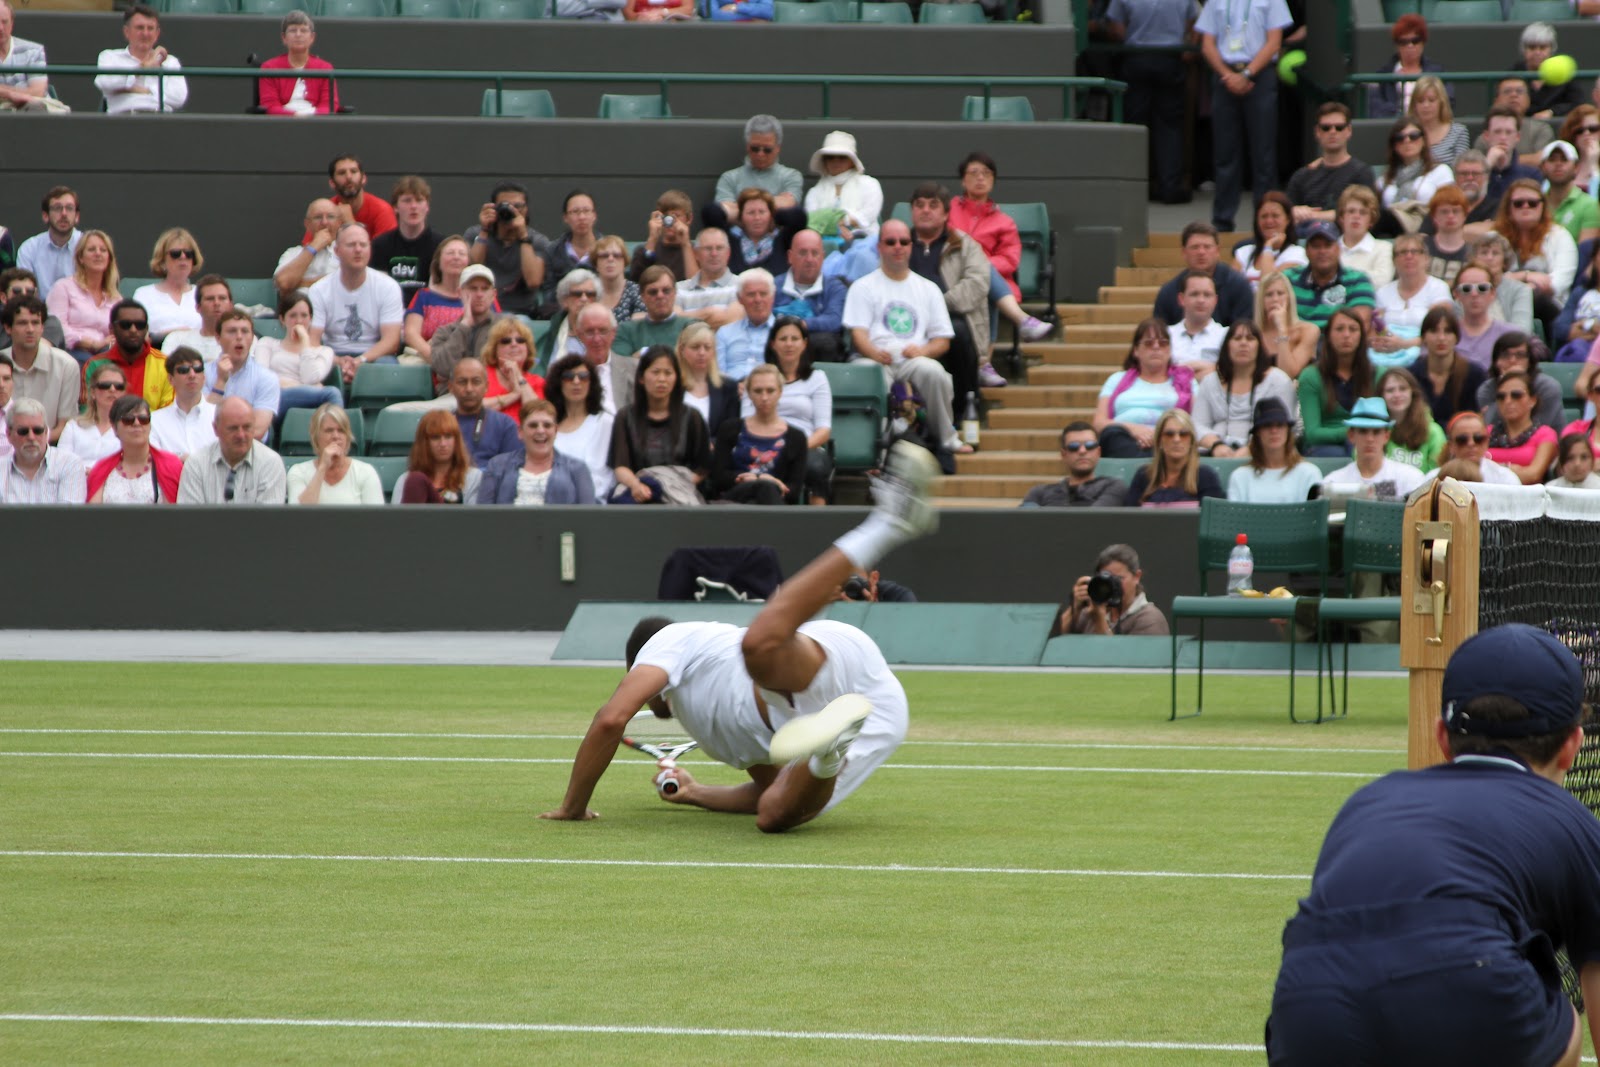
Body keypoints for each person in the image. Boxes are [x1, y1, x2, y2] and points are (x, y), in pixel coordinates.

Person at [541, 439, 938, 830]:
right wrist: (695, 793)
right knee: (776, 813)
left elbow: (612, 720)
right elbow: (762, 795)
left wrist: (573, 807)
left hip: (804, 669)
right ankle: (827, 752)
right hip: (874, 712)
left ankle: (887, 523)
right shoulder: (714, 729)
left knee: (756, 648)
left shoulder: (668, 641)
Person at [1265, 624, 1600, 1067]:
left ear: (1442, 738)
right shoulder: (1576, 825)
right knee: (1563, 1017)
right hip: (1474, 993)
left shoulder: (1368, 801)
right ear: (1573, 747)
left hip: (1308, 1005)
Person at [843, 218, 965, 458]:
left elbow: (942, 341)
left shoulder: (928, 289)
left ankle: (947, 438)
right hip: (875, 358)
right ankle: (877, 449)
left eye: (903, 241)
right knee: (868, 374)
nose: (897, 246)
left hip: (913, 359)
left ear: (911, 246)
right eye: (890, 242)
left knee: (934, 372)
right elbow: (858, 334)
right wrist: (872, 352)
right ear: (879, 247)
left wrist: (923, 352)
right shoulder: (862, 286)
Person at [1195, 0, 1292, 232]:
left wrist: (1247, 74)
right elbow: (1207, 44)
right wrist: (1228, 75)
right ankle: (1222, 220)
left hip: (1260, 75)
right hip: (1224, 76)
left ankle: (1267, 222)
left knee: (1263, 153)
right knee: (1225, 153)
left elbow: (1274, 42)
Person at [947, 152, 1054, 343]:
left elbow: (1009, 260)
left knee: (982, 280)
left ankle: (984, 360)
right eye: (974, 173)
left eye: (986, 173)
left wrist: (978, 265)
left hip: (986, 279)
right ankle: (1021, 321)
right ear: (963, 181)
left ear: (993, 181)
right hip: (950, 272)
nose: (980, 178)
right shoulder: (948, 210)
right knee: (981, 273)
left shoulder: (1004, 222)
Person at [1103, 0, 1194, 204]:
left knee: (1134, 127)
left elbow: (1116, 29)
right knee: (1170, 126)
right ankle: (1169, 187)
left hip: (1136, 58)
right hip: (1170, 59)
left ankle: (1132, 187)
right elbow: (1194, 23)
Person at [905, 182, 991, 392]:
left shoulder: (964, 244)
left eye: (933, 205)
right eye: (920, 205)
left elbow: (977, 283)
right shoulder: (898, 243)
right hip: (906, 315)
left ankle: (965, 408)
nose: (925, 210)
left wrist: (939, 303)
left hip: (951, 312)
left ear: (945, 214)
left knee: (959, 331)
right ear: (912, 211)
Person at [606, 346, 710, 505]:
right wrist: (636, 485)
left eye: (668, 373)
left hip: (681, 496)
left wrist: (673, 484)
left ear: (676, 378)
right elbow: (620, 466)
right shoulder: (625, 417)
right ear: (641, 377)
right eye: (655, 372)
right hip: (639, 493)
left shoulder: (691, 417)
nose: (662, 379)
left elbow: (703, 467)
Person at [308, 223, 406, 383]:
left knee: (388, 365)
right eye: (351, 245)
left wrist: (361, 361)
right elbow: (312, 341)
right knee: (314, 365)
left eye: (363, 245)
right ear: (337, 251)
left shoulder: (388, 286)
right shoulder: (319, 290)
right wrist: (337, 361)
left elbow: (391, 341)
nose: (358, 250)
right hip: (332, 354)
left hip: (373, 355)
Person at [754, 315, 832, 505]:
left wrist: (794, 450)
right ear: (773, 344)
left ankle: (817, 525)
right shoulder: (760, 377)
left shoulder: (817, 378)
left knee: (815, 467)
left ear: (804, 343)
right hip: (764, 444)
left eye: (794, 339)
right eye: (783, 339)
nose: (789, 344)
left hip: (806, 446)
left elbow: (823, 431)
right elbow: (747, 419)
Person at [1194, 319, 1297, 457]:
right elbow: (1197, 424)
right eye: (1237, 338)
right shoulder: (1210, 381)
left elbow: (1286, 427)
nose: (1243, 343)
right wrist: (1216, 445)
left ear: (1259, 346)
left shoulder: (1278, 381)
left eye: (1250, 338)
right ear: (1227, 346)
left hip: (1266, 454)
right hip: (1216, 453)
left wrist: (1252, 449)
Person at [1095, 317, 1195, 458]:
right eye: (1149, 343)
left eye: (1163, 343)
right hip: (1123, 439)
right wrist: (1132, 429)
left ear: (1170, 350)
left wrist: (1159, 436)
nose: (1156, 347)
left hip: (1169, 441)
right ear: (1136, 350)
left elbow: (1197, 422)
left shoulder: (1187, 382)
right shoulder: (1116, 379)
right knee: (1111, 434)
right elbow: (1099, 423)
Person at [1495, 177, 1580, 341]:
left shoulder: (1559, 236)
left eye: (1532, 203)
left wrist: (1520, 286)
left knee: (1532, 296)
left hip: (1549, 305)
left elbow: (1559, 282)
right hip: (1501, 300)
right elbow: (1485, 277)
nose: (1526, 206)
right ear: (1508, 208)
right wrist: (1525, 276)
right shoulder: (1494, 238)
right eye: (1518, 203)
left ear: (1542, 206)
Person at [711, 363, 806, 506]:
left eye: (770, 390)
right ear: (749, 393)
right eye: (758, 391)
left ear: (780, 392)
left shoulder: (796, 437)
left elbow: (794, 491)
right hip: (734, 500)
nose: (764, 397)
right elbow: (718, 478)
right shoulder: (730, 428)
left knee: (765, 489)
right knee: (764, 486)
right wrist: (755, 479)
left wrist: (768, 481)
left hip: (774, 500)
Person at [253, 293, 343, 435]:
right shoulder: (268, 343)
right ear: (282, 319)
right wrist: (305, 386)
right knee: (331, 392)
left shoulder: (324, 351)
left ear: (311, 319)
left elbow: (309, 377)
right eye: (293, 316)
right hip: (274, 398)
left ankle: (336, 440)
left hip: (310, 399)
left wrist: (305, 343)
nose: (299, 321)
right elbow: (261, 378)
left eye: (304, 316)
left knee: (332, 394)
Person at [175, 396, 288, 504]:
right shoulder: (196, 464)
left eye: (247, 427)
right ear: (216, 429)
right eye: (233, 428)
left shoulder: (271, 463)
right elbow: (190, 521)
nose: (241, 435)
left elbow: (268, 521)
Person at [1287, 102, 1378, 229]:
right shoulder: (1302, 176)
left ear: (1349, 131)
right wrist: (1295, 211)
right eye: (1326, 128)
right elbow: (1285, 216)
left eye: (1339, 127)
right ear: (1317, 132)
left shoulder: (1362, 173)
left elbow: (1367, 214)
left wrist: (1312, 215)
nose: (1333, 132)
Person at [1370, 233, 1452, 370]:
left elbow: (1440, 331)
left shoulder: (1439, 288)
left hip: (1425, 356)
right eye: (1402, 252)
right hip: (1386, 356)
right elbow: (1373, 330)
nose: (1409, 256)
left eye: (1415, 252)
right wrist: (1379, 342)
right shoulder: (1382, 292)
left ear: (1426, 259)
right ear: (1394, 261)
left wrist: (1403, 343)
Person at [1300, 307, 1375, 456]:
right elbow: (1313, 433)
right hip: (1324, 447)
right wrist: (1354, 433)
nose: (1346, 335)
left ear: (1362, 335)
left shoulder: (1377, 374)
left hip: (1370, 442)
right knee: (1340, 453)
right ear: (1328, 335)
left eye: (1353, 329)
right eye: (1339, 329)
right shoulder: (1310, 377)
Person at [1320, 396, 1425, 502]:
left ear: (1386, 436)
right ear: (1351, 435)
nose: (1370, 439)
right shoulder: (1332, 482)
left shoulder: (1410, 478)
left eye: (1376, 432)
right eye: (1363, 431)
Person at [1, 294, 76, 440]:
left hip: (50, 447)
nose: (30, 329)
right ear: (8, 328)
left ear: (42, 327)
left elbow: (66, 427)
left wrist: (31, 442)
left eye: (35, 323)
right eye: (22, 323)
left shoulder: (67, 365)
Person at [1154, 222, 1256, 328]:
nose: (1201, 252)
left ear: (1217, 251)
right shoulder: (1169, 292)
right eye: (1195, 247)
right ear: (1184, 252)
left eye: (1207, 247)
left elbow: (1244, 331)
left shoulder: (1239, 286)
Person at [468, 180, 547, 317]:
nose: (511, 211)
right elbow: (471, 273)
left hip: (521, 314)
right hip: (480, 311)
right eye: (505, 206)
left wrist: (523, 235)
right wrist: (485, 230)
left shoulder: (538, 241)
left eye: (518, 206)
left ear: (526, 209)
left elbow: (533, 282)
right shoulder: (476, 235)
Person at [1056, 542, 1170, 636]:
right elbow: (1048, 642)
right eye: (1105, 579)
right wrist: (1075, 608)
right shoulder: (1091, 611)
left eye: (1118, 579)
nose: (1111, 585)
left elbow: (1120, 660)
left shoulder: (1149, 619)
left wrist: (1099, 620)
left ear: (1136, 577)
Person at [86, 393, 181, 505]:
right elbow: (93, 518)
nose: (137, 423)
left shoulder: (170, 465)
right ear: (114, 428)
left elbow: (176, 516)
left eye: (143, 419)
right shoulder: (102, 470)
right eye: (128, 419)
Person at [95, 5, 187, 115]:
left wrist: (139, 90)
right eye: (140, 27)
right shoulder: (110, 56)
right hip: (122, 122)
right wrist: (143, 68)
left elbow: (179, 98)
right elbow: (106, 84)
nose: (145, 34)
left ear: (157, 34)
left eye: (150, 28)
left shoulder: (170, 62)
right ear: (127, 32)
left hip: (160, 122)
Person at [548, 352, 615, 502]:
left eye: (583, 376)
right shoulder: (548, 426)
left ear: (591, 382)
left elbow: (606, 477)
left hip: (593, 504)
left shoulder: (604, 422)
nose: (576, 381)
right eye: (568, 377)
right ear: (559, 383)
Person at [1226, 397, 1321, 502]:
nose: (1274, 430)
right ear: (1258, 433)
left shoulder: (1309, 473)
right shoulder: (1240, 477)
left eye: (1280, 425)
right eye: (1267, 425)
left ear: (1288, 430)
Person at [771, 228, 846, 361]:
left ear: (823, 257)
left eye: (815, 253)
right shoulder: (773, 286)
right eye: (803, 253)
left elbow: (834, 320)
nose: (809, 259)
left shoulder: (835, 288)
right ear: (790, 257)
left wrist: (799, 324)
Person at [286, 403, 382, 505]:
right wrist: (322, 468)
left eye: (341, 431)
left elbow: (376, 519)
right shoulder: (298, 472)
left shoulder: (366, 472)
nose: (336, 436)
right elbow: (299, 517)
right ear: (316, 437)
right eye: (329, 430)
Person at [425, 263, 500, 394]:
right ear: (460, 292)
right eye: (473, 288)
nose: (479, 294)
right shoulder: (445, 332)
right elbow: (442, 367)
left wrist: (455, 371)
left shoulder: (504, 327)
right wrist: (464, 325)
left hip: (494, 392)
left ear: (493, 294)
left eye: (484, 289)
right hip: (453, 398)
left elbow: (502, 366)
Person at [1287, 220, 1377, 330]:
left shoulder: (1358, 281)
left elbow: (1357, 328)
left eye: (1328, 245)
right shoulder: (1288, 279)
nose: (1322, 251)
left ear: (1338, 249)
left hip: (1337, 346)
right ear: (1306, 251)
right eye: (1316, 246)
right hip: (1297, 344)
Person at [205, 311, 279, 442]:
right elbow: (202, 422)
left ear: (252, 338)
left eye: (245, 331)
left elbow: (258, 430)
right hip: (208, 448)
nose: (239, 337)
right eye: (232, 331)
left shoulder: (267, 378)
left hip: (252, 451)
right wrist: (220, 382)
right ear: (218, 337)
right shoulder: (201, 373)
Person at [47, 229, 119, 364]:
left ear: (109, 258)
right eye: (92, 249)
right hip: (71, 352)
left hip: (104, 352)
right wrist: (91, 343)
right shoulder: (63, 287)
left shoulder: (115, 297)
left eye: (103, 250)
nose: (98, 253)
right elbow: (57, 327)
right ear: (81, 257)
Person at [1124, 408, 1222, 507]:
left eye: (1183, 434)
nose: (1176, 439)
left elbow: (1213, 519)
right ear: (1159, 440)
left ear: (1192, 441)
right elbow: (1129, 519)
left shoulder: (1206, 476)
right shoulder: (1143, 475)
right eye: (1169, 434)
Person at [1409, 305, 1486, 428]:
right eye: (1434, 331)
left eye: (1448, 331)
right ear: (1423, 338)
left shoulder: (1475, 374)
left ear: (1457, 337)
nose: (1441, 338)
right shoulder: (1411, 375)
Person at [1020, 421, 1129, 508]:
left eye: (1090, 445)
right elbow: (1023, 524)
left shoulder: (1113, 486)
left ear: (1098, 452)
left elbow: (1093, 521)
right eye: (1074, 446)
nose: (1082, 451)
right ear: (1064, 454)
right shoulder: (1039, 492)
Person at [714, 115, 804, 218]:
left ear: (778, 148)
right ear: (747, 146)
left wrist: (740, 207)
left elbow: (789, 204)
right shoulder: (729, 178)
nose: (760, 154)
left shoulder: (791, 176)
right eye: (755, 148)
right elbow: (724, 212)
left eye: (767, 150)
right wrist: (773, 203)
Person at [370, 175, 441, 305]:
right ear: (395, 207)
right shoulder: (380, 245)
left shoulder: (441, 246)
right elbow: (376, 290)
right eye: (407, 201)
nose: (413, 206)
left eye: (419, 200)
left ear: (427, 206)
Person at [706, 188, 808, 278]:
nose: (757, 218)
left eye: (762, 212)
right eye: (751, 213)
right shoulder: (731, 240)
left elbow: (798, 216)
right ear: (741, 216)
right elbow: (711, 212)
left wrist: (773, 215)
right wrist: (737, 214)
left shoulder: (783, 240)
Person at [401, 235, 474, 362]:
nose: (456, 257)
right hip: (428, 359)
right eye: (450, 253)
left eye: (462, 254)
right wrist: (435, 357)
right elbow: (411, 333)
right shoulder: (424, 296)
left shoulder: (481, 295)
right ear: (438, 262)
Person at [94, 298, 174, 412]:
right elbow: (90, 413)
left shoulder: (166, 365)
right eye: (126, 325)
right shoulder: (94, 365)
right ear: (111, 329)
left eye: (140, 325)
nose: (133, 330)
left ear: (146, 329)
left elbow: (168, 416)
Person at [803, 131, 883, 244]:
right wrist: (836, 227)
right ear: (824, 161)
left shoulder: (870, 184)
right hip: (824, 249)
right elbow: (811, 221)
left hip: (865, 245)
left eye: (842, 157)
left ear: (852, 161)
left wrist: (840, 221)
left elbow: (867, 216)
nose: (836, 161)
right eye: (830, 157)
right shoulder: (815, 192)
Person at [0, 398, 85, 504]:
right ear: (8, 434)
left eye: (38, 430)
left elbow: (68, 517)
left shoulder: (69, 464)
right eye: (23, 431)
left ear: (46, 432)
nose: (31, 437)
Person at [1475, 331, 1562, 432]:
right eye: (1505, 355)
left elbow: (1539, 429)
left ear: (1529, 361)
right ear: (1496, 362)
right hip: (1498, 443)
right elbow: (1489, 427)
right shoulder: (1486, 389)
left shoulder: (1547, 387)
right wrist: (1505, 384)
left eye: (1520, 355)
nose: (1512, 361)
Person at [256, 10, 338, 116]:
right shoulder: (269, 68)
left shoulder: (325, 68)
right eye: (293, 30)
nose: (298, 35)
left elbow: (330, 106)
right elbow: (270, 105)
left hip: (316, 125)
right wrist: (295, 116)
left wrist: (307, 115)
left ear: (312, 37)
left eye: (303, 30)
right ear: (284, 37)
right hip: (281, 125)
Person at [1485, 370, 1558, 484]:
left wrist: (1494, 469)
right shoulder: (1485, 432)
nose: (1508, 401)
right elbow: (1474, 470)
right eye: (1501, 396)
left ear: (1532, 400)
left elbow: (1534, 474)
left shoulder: (1545, 434)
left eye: (1516, 395)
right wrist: (1514, 469)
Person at [395, 408, 482, 505]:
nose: (443, 444)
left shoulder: (473, 477)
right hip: (418, 520)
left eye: (448, 436)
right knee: (416, 480)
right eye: (435, 438)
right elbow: (398, 518)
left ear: (456, 441)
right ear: (424, 443)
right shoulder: (405, 480)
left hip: (457, 520)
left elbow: (474, 518)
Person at [34, 360, 112, 465]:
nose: (112, 389)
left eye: (119, 387)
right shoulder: (73, 427)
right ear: (93, 392)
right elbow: (61, 462)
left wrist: (97, 474)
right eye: (105, 385)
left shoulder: (131, 426)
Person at [1368, 14, 1446, 120]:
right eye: (1403, 42)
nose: (1410, 46)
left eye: (1415, 41)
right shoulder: (1382, 76)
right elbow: (1376, 109)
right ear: (1396, 45)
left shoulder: (1438, 73)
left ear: (1423, 43)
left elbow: (1447, 103)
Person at [131, 228, 203, 341]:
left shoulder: (203, 293)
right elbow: (135, 335)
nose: (183, 257)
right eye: (176, 254)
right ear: (162, 260)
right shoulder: (144, 294)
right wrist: (170, 334)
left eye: (188, 253)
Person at [449, 356, 520, 468]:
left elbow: (512, 470)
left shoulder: (505, 425)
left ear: (486, 387)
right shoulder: (440, 424)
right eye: (462, 382)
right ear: (451, 387)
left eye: (476, 382)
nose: (469, 389)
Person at [539, 191, 602, 315]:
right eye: (575, 212)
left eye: (586, 211)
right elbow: (549, 293)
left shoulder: (607, 250)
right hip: (562, 313)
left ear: (594, 215)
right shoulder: (553, 251)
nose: (582, 217)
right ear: (566, 218)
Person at [1422, 410, 1522, 486]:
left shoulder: (1505, 478)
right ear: (1451, 446)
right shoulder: (1433, 479)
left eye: (1478, 438)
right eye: (1462, 440)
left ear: (1487, 442)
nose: (1471, 444)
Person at [676, 321, 739, 440]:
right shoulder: (672, 386)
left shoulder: (728, 387)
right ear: (682, 350)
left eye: (707, 347)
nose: (701, 353)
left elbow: (731, 432)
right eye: (695, 347)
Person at [149, 346, 215, 460]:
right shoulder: (154, 421)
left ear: (204, 377)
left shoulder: (220, 416)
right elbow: (156, 461)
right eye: (183, 370)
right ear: (170, 379)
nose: (192, 375)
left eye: (197, 369)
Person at [571, 302, 637, 415]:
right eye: (590, 332)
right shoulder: (568, 372)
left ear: (613, 333)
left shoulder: (635, 369)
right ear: (579, 334)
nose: (597, 339)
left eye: (603, 331)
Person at [1452, 263, 1520, 372]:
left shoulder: (1510, 334)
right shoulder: (1446, 334)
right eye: (1466, 288)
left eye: (1482, 288)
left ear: (1493, 293)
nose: (1474, 294)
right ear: (1456, 294)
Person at [16, 186, 82, 299]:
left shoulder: (88, 246)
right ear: (45, 216)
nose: (64, 214)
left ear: (77, 216)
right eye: (57, 208)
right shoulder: (29, 248)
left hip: (80, 313)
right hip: (39, 313)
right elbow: (24, 294)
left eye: (69, 208)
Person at [479, 316, 546, 426]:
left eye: (520, 340)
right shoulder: (482, 375)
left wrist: (518, 377)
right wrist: (514, 395)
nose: (514, 344)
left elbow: (537, 415)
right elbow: (472, 408)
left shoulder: (538, 382)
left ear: (527, 348)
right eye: (506, 341)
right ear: (494, 349)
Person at [1379, 116, 1454, 213]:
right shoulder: (1385, 178)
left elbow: (1448, 208)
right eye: (1400, 138)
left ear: (1423, 140)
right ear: (1394, 145)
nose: (1407, 141)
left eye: (1413, 136)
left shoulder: (1440, 171)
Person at [1377, 366, 1445, 474]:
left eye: (1403, 389)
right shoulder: (1371, 431)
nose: (1397, 395)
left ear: (1413, 393)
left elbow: (1437, 475)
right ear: (1381, 395)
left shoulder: (1433, 432)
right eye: (1390, 390)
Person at [1235, 191, 1308, 288]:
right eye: (1264, 216)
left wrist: (1268, 246)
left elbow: (1269, 285)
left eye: (1275, 216)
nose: (1269, 221)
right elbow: (1231, 289)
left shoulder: (1298, 254)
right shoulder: (1243, 253)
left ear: (1288, 220)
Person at [1257, 269, 1320, 378]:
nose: (1275, 299)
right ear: (1261, 301)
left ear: (1289, 298)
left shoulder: (1308, 331)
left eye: (1280, 293)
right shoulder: (1254, 334)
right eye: (1269, 295)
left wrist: (1281, 329)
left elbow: (1287, 374)